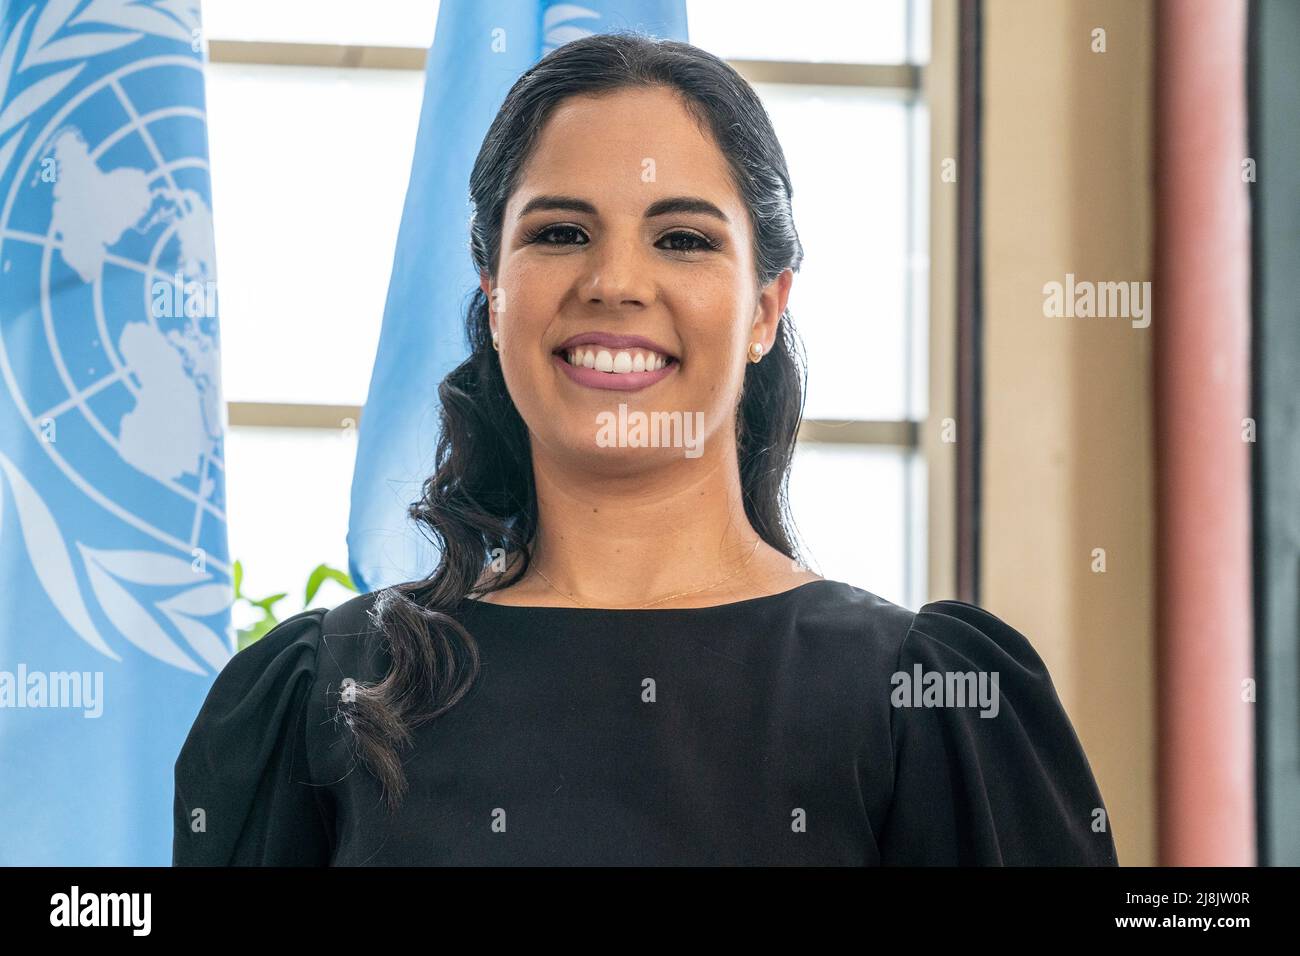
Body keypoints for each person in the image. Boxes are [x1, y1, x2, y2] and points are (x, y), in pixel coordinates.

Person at [173, 32, 1119, 866]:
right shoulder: (320, 694)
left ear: (764, 309)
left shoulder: (930, 706)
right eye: (561, 231)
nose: (615, 281)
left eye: (681, 239)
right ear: (493, 290)